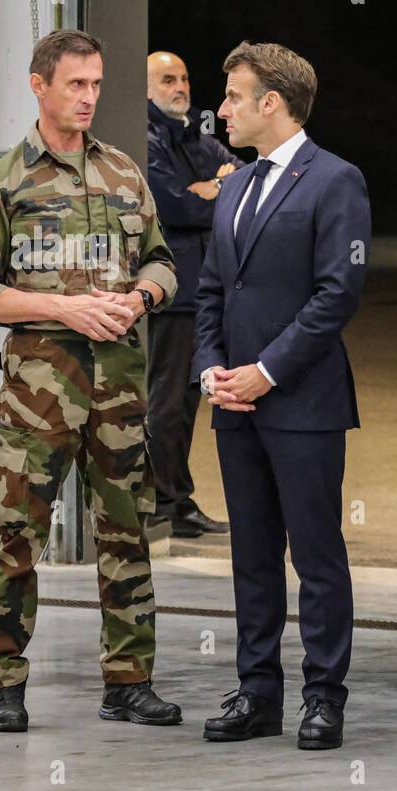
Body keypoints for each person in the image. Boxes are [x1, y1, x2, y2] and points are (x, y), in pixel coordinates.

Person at [0, 29, 182, 732]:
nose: (88, 98)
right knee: (17, 535)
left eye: (96, 85)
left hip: (118, 391)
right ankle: (4, 685)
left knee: (128, 533)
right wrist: (62, 307)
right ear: (39, 85)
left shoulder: (122, 173)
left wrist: (139, 298)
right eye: (75, 84)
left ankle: (129, 682)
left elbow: (165, 264)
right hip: (37, 395)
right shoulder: (5, 179)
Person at [195, 42, 369, 750]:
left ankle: (324, 697)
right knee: (252, 555)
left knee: (317, 556)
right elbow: (211, 289)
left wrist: (265, 371)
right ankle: (257, 692)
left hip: (302, 402)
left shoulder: (336, 180)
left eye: (234, 96)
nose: (223, 108)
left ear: (273, 103)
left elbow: (338, 294)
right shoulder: (233, 186)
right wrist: (211, 370)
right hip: (234, 403)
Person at [145, 51, 239, 538]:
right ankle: (166, 502)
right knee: (168, 400)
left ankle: (172, 499)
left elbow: (242, 178)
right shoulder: (147, 138)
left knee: (184, 400)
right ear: (146, 89)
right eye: (167, 78)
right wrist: (203, 191)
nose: (180, 85)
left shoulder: (192, 136)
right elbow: (170, 204)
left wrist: (212, 189)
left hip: (199, 288)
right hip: (172, 290)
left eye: (183, 76)